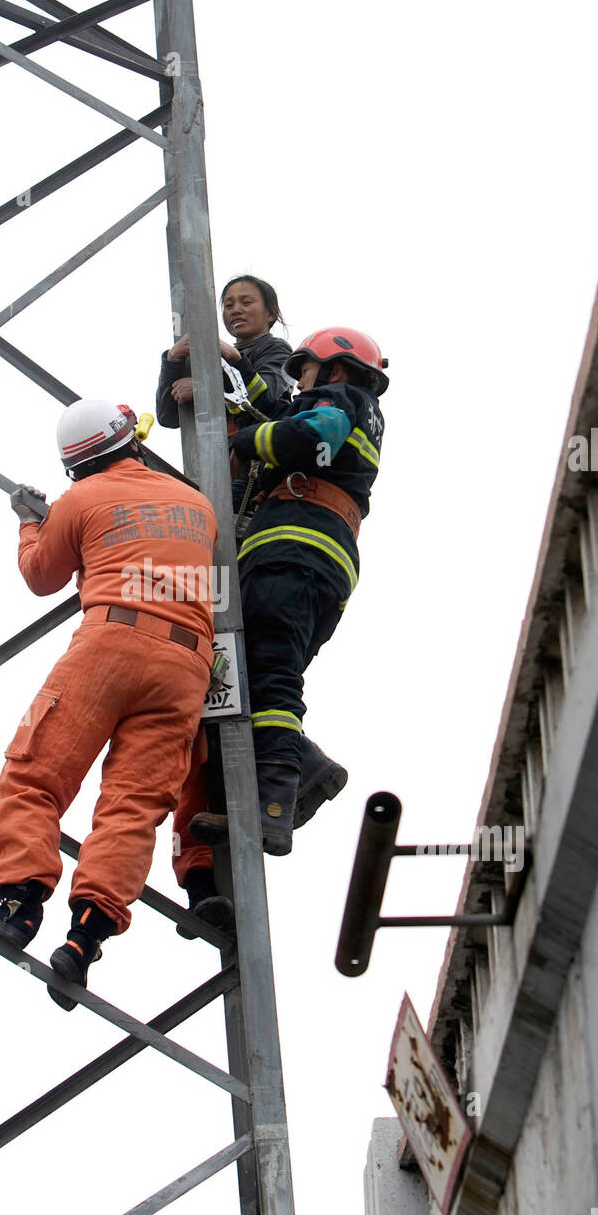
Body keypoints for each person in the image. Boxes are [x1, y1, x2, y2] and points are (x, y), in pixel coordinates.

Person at [0, 398, 218, 1009]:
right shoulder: (197, 505)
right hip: (187, 665)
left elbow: (41, 576)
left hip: (112, 642)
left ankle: (19, 907)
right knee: (132, 805)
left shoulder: (78, 500)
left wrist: (31, 524)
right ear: (133, 440)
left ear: (77, 466)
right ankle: (84, 940)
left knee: (33, 774)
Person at [182, 327, 389, 874]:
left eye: (306, 369)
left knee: (266, 675)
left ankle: (272, 804)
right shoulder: (350, 405)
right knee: (249, 677)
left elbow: (297, 436)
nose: (299, 380)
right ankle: (307, 770)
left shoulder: (341, 399)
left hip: (292, 551)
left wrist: (237, 441)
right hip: (319, 560)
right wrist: (231, 365)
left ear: (336, 369)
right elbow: (278, 409)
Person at [156, 274, 294, 516]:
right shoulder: (210, 356)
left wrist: (204, 387)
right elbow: (168, 415)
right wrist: (173, 359)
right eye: (229, 305)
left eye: (246, 302)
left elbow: (266, 400)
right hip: (213, 469)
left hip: (254, 470)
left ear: (270, 314)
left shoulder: (275, 349)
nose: (236, 310)